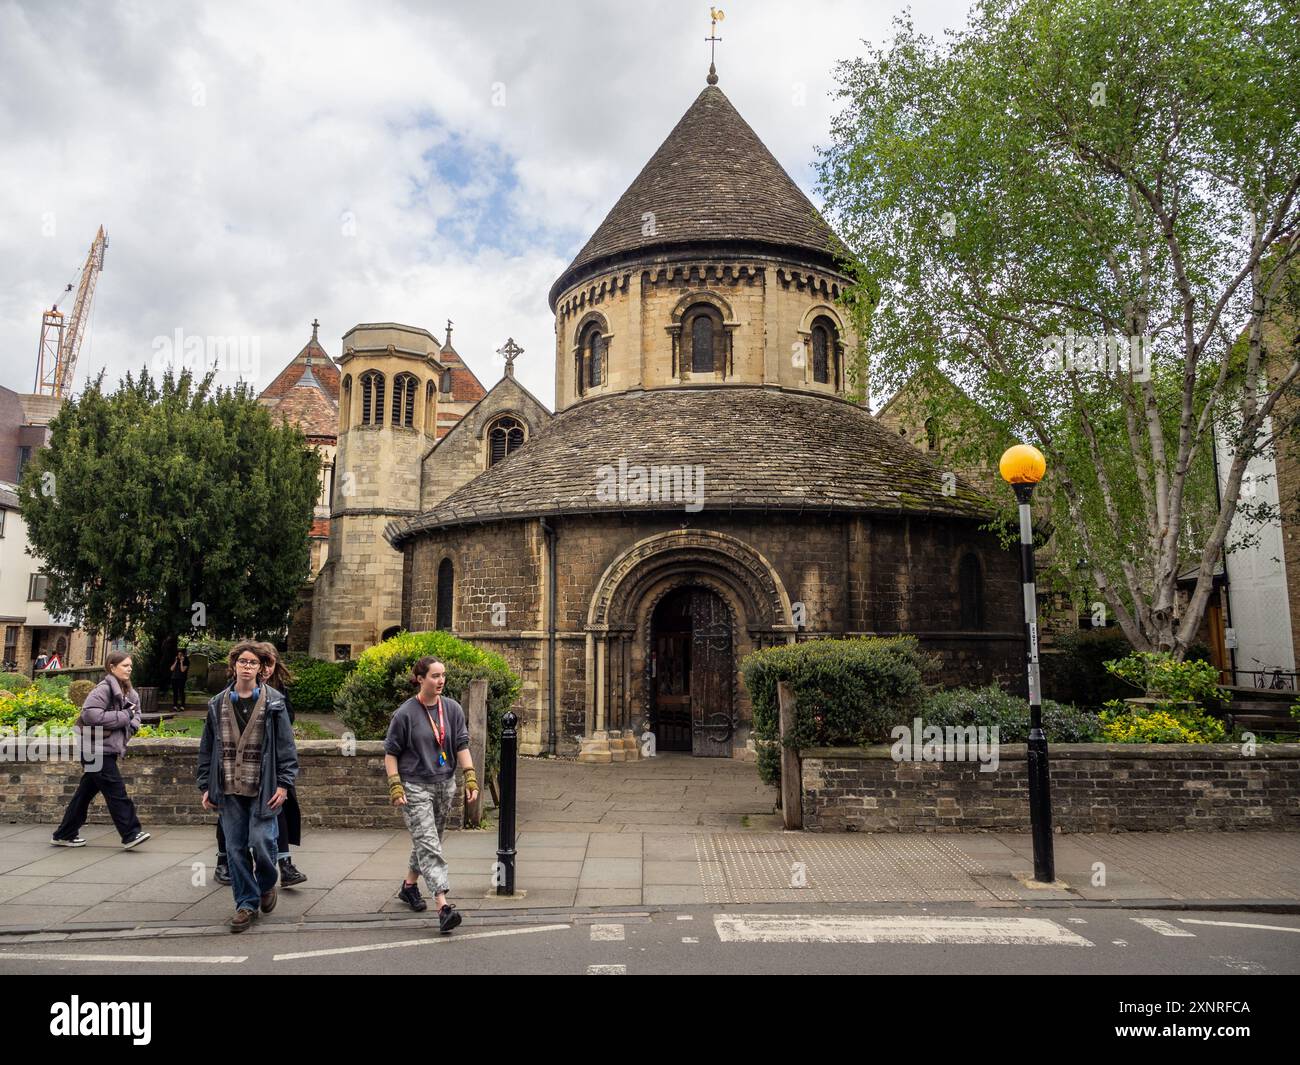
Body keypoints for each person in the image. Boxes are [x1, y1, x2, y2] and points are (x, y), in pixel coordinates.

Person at [198, 641, 298, 933]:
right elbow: (206, 748)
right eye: (242, 661)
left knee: (262, 843)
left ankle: (266, 884)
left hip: (263, 788)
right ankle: (245, 903)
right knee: (235, 848)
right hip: (228, 787)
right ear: (234, 665)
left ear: (261, 668)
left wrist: (284, 784)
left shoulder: (275, 702)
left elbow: (286, 748)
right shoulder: (217, 703)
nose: (247, 666)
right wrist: (206, 785)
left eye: (253, 663)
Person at [384, 656, 478, 934]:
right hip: (414, 785)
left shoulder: (452, 708)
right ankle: (443, 905)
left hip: (444, 783)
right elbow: (391, 753)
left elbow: (461, 744)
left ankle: (409, 886)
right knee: (429, 843)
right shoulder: (405, 714)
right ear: (420, 679)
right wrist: (395, 785)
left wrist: (470, 777)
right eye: (435, 676)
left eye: (443, 676)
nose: (441, 681)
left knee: (429, 839)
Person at [51, 651, 151, 850]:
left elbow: (137, 713)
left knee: (85, 794)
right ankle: (130, 833)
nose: (129, 668)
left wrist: (132, 726)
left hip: (107, 749)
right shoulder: (103, 689)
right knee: (116, 790)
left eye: (130, 665)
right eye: (124, 665)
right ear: (112, 667)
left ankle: (64, 833)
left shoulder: (130, 692)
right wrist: (124, 717)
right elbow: (90, 715)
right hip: (94, 750)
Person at [256, 642, 307, 886]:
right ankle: (228, 861)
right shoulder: (239, 690)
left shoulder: (281, 692)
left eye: (270, 664)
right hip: (248, 766)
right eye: (261, 663)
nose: (265, 669)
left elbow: (287, 728)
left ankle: (285, 866)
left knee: (281, 809)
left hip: (276, 765)